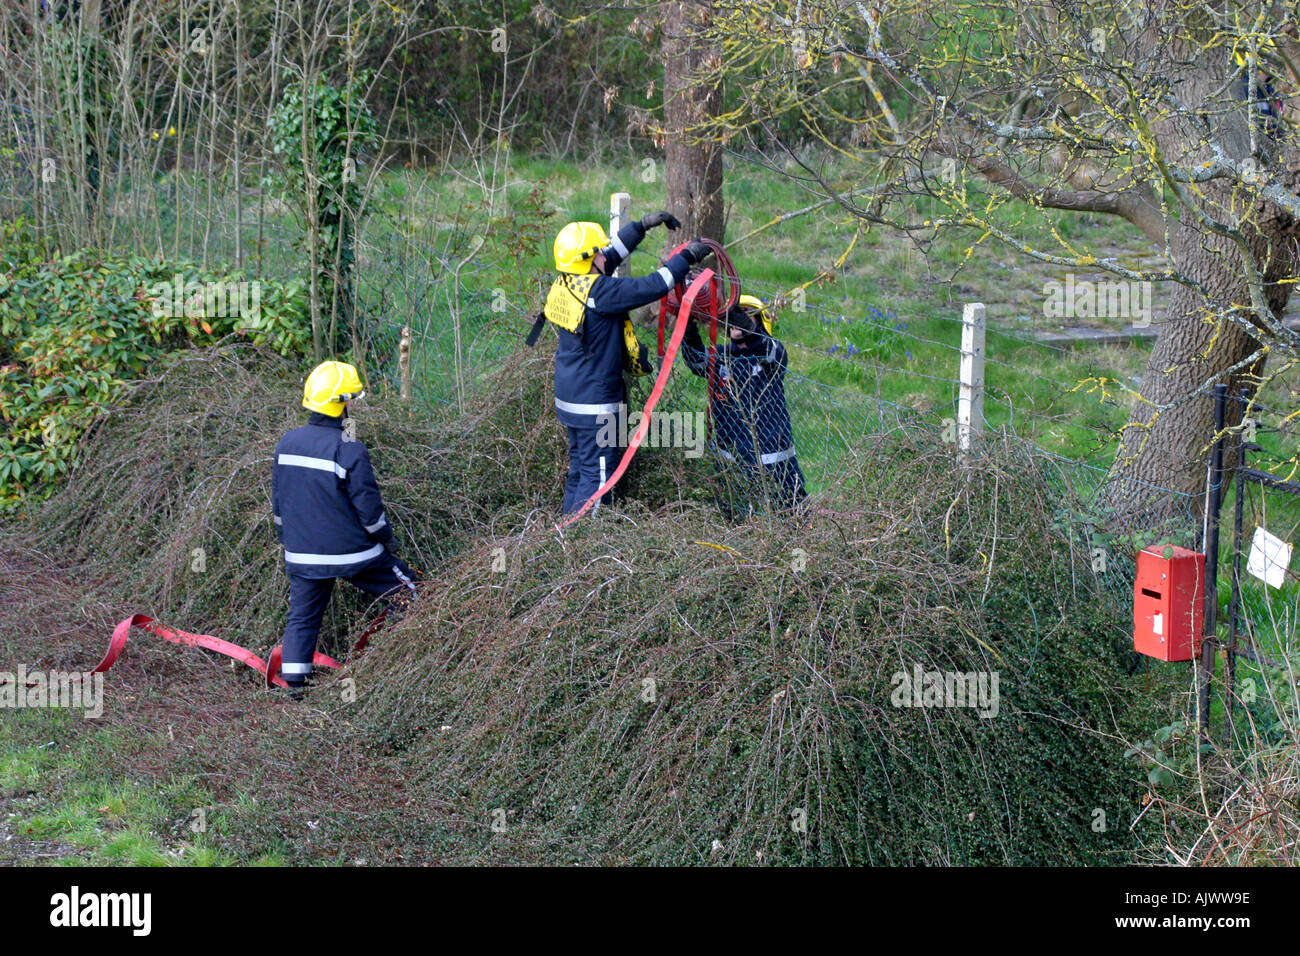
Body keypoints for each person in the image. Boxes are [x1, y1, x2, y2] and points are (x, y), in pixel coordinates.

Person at [534, 213, 709, 514]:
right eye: (598, 251)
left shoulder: (568, 282)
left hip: (571, 400)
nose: (605, 253)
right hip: (595, 406)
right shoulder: (601, 293)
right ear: (588, 259)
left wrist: (641, 227)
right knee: (598, 480)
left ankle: (563, 538)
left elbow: (611, 252)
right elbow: (655, 285)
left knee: (580, 471)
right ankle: (584, 547)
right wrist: (687, 258)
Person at [271, 361, 417, 698]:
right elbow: (369, 509)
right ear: (342, 405)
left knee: (303, 616)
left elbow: (279, 504)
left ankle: (293, 685)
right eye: (352, 400)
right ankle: (402, 661)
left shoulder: (286, 443)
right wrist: (386, 540)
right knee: (410, 593)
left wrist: (288, 541)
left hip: (302, 554)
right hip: (355, 554)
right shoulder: (348, 447)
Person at [682, 294, 807, 515]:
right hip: (731, 453)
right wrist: (689, 327)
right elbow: (696, 360)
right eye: (730, 319)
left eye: (746, 316)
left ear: (760, 321)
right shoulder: (720, 357)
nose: (735, 323)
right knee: (735, 511)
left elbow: (766, 348)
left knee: (789, 509)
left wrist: (746, 324)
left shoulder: (772, 353)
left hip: (771, 453)